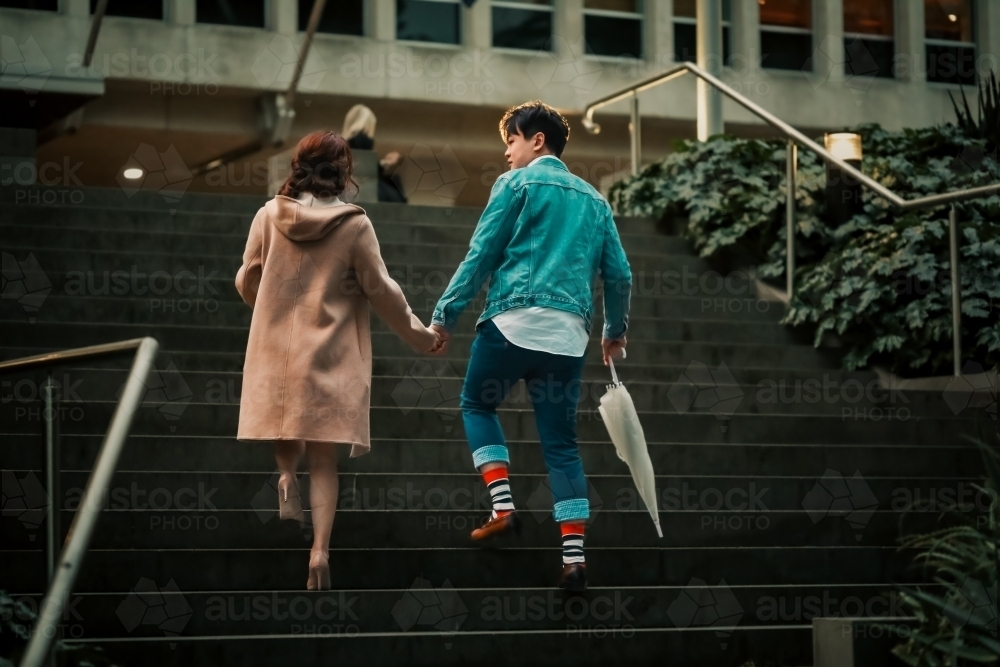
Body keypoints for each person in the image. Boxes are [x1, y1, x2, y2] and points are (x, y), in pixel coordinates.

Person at [429, 101, 632, 592]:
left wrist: (444, 315)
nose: (506, 152)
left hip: (511, 324)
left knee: (477, 402)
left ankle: (502, 506)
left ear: (536, 140)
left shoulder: (516, 185)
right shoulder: (595, 201)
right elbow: (620, 274)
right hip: (567, 338)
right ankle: (574, 561)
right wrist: (614, 331)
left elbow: (482, 254)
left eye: (512, 141)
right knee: (562, 449)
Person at [235, 130, 442, 591]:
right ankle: (320, 552)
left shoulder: (268, 215)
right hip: (329, 354)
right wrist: (419, 336)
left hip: (276, 348)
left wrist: (264, 299)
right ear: (342, 169)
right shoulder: (354, 225)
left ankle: (286, 476)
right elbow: (382, 290)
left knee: (286, 425)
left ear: (297, 167)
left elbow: (247, 278)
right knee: (325, 459)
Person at [341, 103, 408, 203]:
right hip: (363, 186)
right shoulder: (362, 138)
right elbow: (363, 167)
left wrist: (383, 164)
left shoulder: (344, 142)